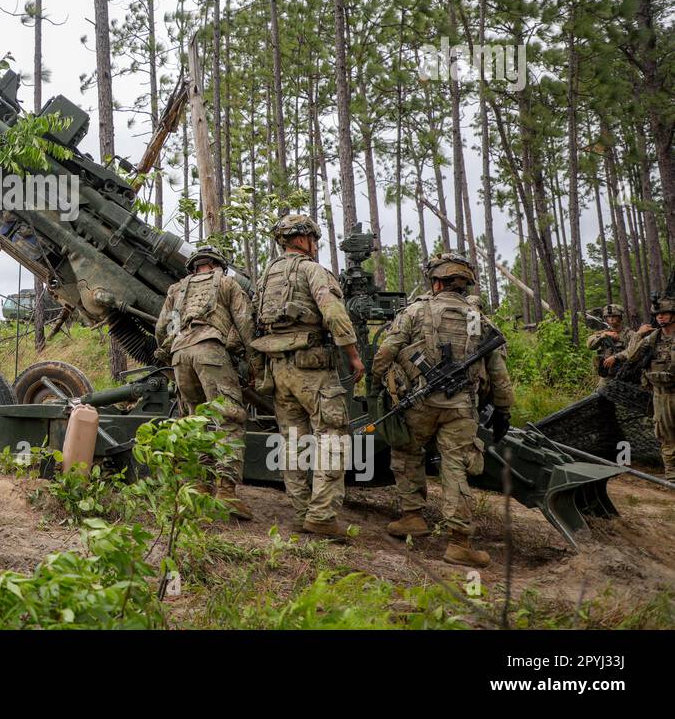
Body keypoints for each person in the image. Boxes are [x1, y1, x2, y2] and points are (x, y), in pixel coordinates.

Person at [372, 253, 514, 568]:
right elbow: (498, 370)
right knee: (455, 466)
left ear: (436, 282)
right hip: (462, 407)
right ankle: (460, 543)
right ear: (464, 284)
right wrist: (503, 409)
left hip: (419, 403)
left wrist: (375, 385)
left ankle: (412, 517)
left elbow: (386, 351)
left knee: (408, 452)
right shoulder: (478, 318)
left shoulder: (417, 311)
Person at [251, 214, 364, 538]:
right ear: (301, 239)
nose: (315, 246)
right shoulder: (312, 270)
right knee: (333, 436)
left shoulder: (267, 277)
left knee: (292, 441)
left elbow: (254, 321)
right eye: (313, 239)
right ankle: (323, 514)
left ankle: (303, 513)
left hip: (279, 369)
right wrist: (353, 356)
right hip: (312, 369)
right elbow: (333, 313)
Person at [155, 244, 254, 520]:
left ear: (194, 266)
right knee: (228, 419)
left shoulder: (176, 289)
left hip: (180, 355)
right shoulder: (227, 284)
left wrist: (169, 349)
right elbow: (245, 324)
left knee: (193, 420)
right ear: (218, 265)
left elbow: (162, 327)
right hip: (210, 350)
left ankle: (198, 487)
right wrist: (255, 363)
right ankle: (226, 494)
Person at [607, 297, 675, 481]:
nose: (660, 317)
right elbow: (632, 356)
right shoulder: (653, 339)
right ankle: (672, 478)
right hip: (662, 395)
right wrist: (639, 335)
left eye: (664, 313)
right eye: (657, 314)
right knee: (666, 436)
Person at [587, 305, 640, 387]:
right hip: (607, 376)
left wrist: (616, 357)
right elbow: (590, 345)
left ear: (620, 317)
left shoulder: (630, 334)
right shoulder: (603, 333)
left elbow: (634, 351)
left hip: (626, 375)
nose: (611, 319)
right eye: (608, 317)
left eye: (614, 316)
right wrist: (603, 336)